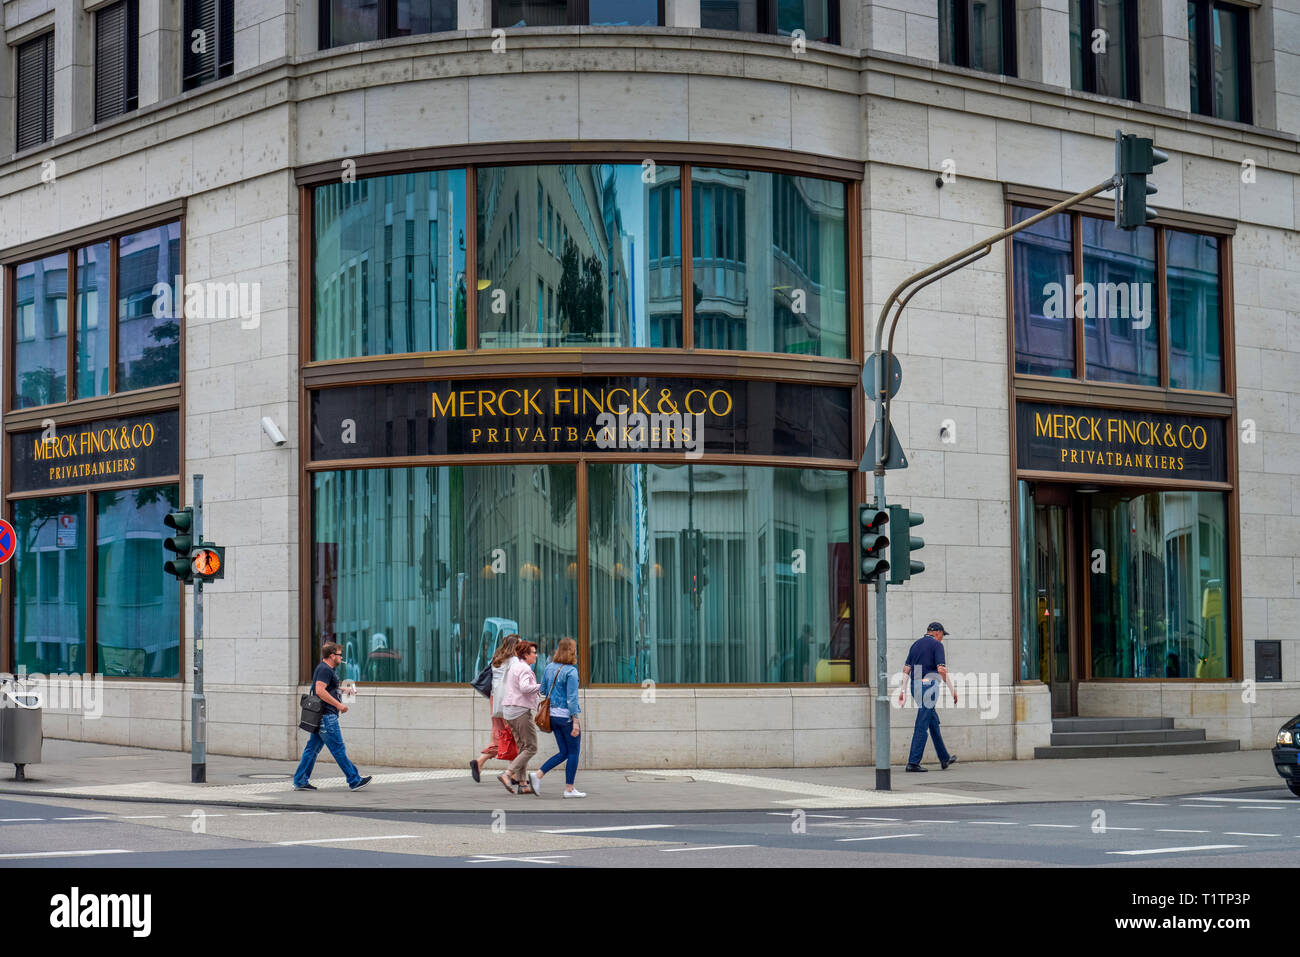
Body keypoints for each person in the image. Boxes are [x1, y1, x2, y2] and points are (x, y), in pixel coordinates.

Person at [294, 642, 373, 791]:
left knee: (311, 749)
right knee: (338, 749)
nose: (341, 657)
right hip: (326, 717)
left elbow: (328, 688)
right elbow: (320, 690)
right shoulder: (325, 669)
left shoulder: (324, 668)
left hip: (321, 718)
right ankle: (354, 780)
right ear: (332, 656)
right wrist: (339, 705)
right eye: (339, 654)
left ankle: (300, 780)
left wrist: (344, 690)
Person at [897, 621, 958, 773]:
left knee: (932, 721)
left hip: (915, 686)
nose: (942, 638)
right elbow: (941, 670)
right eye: (942, 635)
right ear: (937, 632)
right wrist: (952, 690)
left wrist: (903, 690)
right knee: (922, 724)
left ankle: (944, 758)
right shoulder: (937, 646)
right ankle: (913, 762)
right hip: (929, 687)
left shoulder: (916, 645)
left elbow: (906, 669)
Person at [532, 637, 583, 798]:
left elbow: (544, 690)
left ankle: (538, 775)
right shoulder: (571, 671)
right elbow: (572, 698)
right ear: (572, 651)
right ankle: (569, 789)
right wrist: (575, 720)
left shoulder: (549, 668)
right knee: (573, 752)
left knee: (564, 752)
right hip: (566, 717)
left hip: (552, 716)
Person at [470, 633, 520, 782]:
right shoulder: (514, 660)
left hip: (495, 700)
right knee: (513, 736)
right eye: (520, 644)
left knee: (501, 735)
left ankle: (480, 762)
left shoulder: (496, 659)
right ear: (515, 646)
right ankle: (513, 774)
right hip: (507, 701)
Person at [498, 640, 542, 795]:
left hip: (509, 711)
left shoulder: (514, 666)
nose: (536, 655)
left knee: (523, 748)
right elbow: (524, 688)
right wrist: (541, 686)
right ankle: (508, 774)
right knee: (531, 747)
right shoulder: (524, 668)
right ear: (525, 655)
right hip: (520, 711)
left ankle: (523, 784)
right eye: (533, 652)